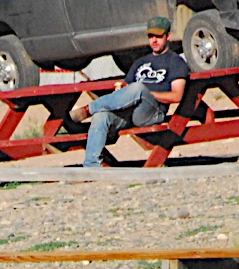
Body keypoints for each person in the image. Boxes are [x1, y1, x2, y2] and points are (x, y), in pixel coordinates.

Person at [70, 17, 190, 168]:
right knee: (101, 116)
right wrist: (122, 90)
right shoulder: (141, 62)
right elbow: (126, 86)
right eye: (151, 36)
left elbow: (177, 95)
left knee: (138, 88)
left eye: (159, 36)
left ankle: (89, 109)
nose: (154, 40)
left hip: (152, 111)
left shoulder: (176, 62)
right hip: (129, 110)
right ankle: (91, 166)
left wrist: (147, 93)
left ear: (168, 36)